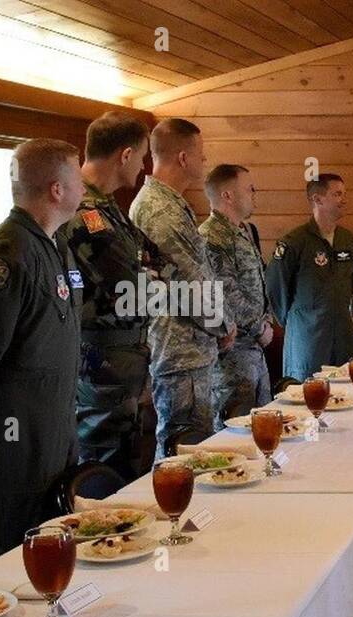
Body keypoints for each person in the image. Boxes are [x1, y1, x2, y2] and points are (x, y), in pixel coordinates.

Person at [0, 139, 84, 548]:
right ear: (57, 189)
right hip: (13, 437)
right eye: (77, 176)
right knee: (12, 546)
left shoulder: (53, 245)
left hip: (52, 426)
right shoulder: (9, 251)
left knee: (51, 542)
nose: (84, 186)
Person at [63, 111, 157, 477]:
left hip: (124, 359)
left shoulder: (108, 207)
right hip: (103, 360)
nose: (144, 166)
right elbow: (136, 285)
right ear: (126, 155)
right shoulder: (87, 212)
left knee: (126, 466)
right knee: (105, 472)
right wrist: (148, 279)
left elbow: (154, 260)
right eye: (143, 156)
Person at [130, 117, 231, 457]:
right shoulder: (160, 209)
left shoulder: (170, 202)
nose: (205, 162)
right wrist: (223, 326)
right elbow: (191, 280)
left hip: (189, 347)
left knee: (194, 447)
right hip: (179, 350)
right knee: (182, 452)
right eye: (201, 154)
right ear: (183, 158)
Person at [201, 164, 275, 426]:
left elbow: (255, 286)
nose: (255, 193)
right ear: (228, 196)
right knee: (234, 429)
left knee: (263, 427)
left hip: (253, 349)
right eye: (249, 188)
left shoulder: (243, 232)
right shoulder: (213, 236)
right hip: (232, 354)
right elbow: (226, 293)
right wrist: (259, 328)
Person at [267, 173, 353, 382]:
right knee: (304, 396)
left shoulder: (348, 240)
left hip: (342, 337)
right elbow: (276, 287)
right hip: (308, 339)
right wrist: (297, 319)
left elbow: (352, 283)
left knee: (347, 393)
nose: (344, 200)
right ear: (317, 199)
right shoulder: (294, 242)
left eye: (344, 194)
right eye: (337, 194)